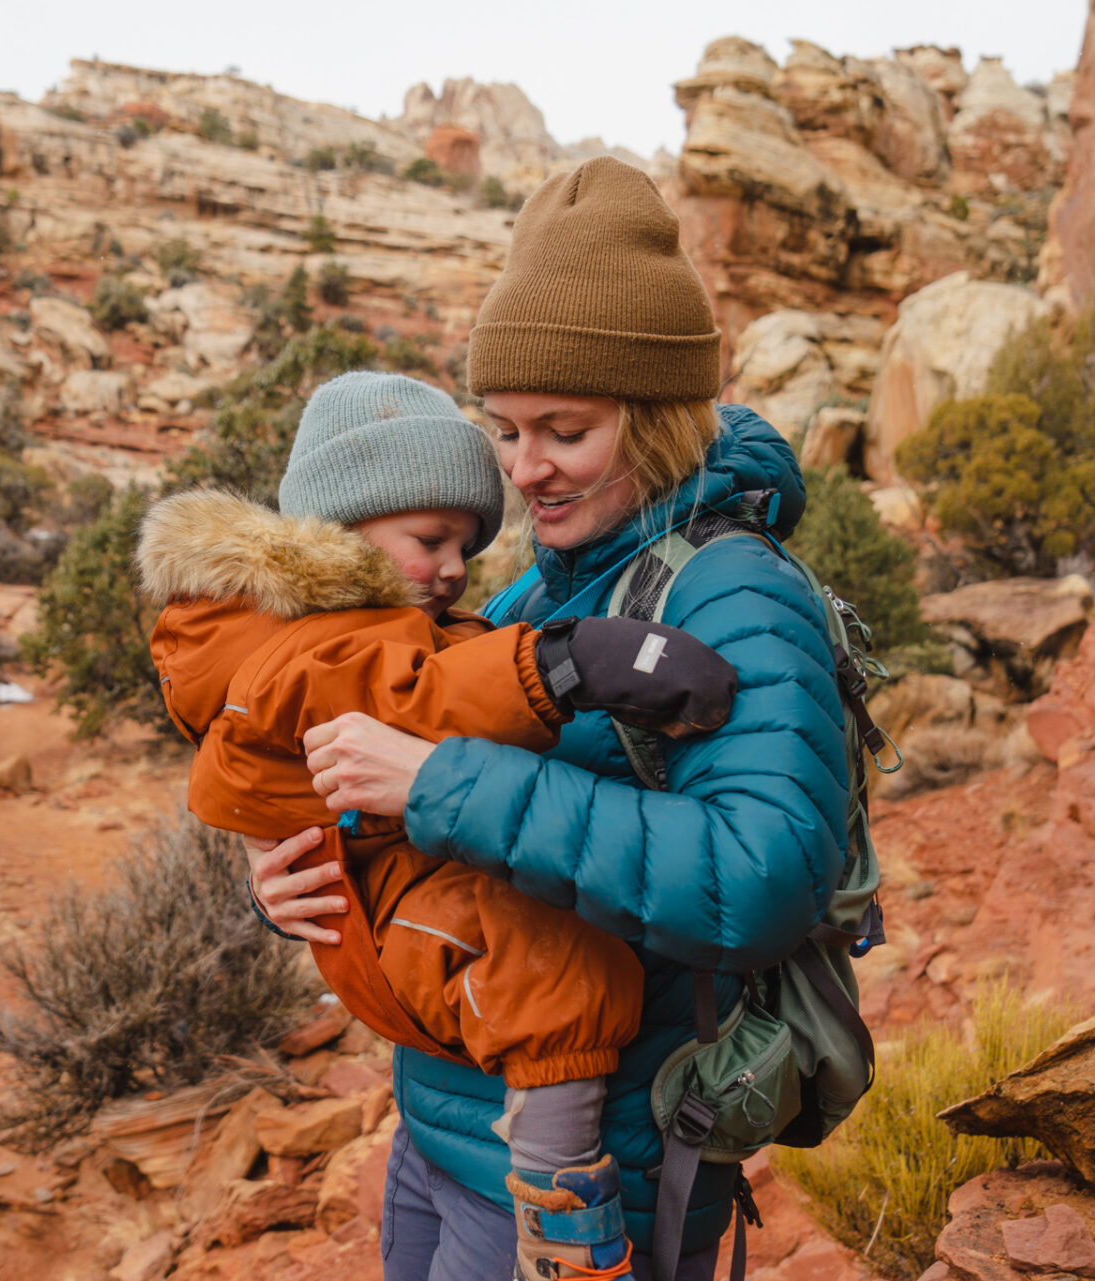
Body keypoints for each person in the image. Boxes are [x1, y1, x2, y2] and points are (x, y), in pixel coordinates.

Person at [246, 156, 849, 1281]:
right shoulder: (552, 585)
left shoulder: (734, 591)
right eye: (506, 431)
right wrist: (299, 873)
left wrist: (436, 785)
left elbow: (764, 877)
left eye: (564, 430)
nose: (527, 470)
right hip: (447, 1134)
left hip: (590, 1185)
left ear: (658, 413)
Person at [137, 371, 741, 1280]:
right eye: (430, 539)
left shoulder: (316, 621)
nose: (456, 567)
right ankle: (562, 1200)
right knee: (549, 958)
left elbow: (429, 667)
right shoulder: (307, 641)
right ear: (335, 533)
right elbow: (414, 691)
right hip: (402, 924)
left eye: (464, 541)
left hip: (396, 948)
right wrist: (569, 665)